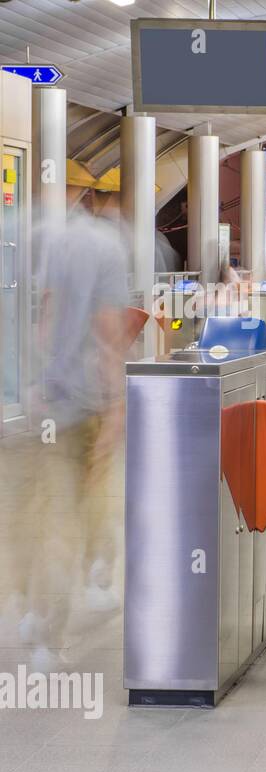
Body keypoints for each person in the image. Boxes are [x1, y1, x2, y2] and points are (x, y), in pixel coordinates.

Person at [1, 210, 132, 656]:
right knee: (69, 514)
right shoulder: (105, 246)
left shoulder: (35, 239)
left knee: (30, 513)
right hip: (79, 404)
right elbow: (109, 329)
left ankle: (31, 610)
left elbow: (44, 319)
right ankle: (50, 631)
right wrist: (117, 404)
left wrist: (33, 384)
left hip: (33, 406)